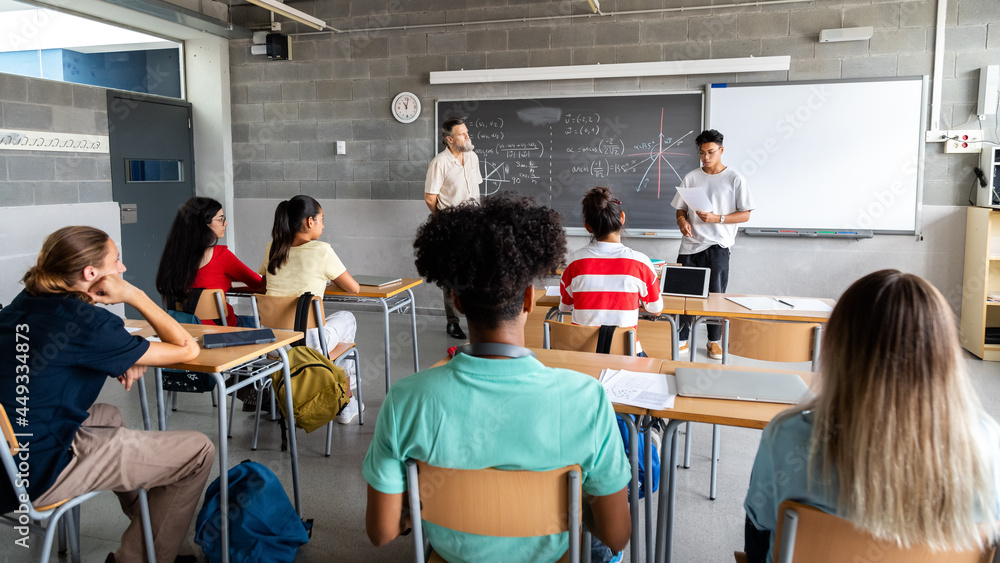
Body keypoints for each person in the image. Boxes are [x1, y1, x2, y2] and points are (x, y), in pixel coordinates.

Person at [363, 193, 631, 561]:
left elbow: (381, 532)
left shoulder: (406, 399)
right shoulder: (586, 397)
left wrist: (413, 511)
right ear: (528, 300)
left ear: (456, 301)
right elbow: (617, 535)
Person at [743, 270, 1000, 563]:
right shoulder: (988, 444)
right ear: (945, 353)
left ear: (836, 347)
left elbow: (759, 539)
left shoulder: (788, 438)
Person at [0, 226, 214, 563]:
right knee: (199, 451)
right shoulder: (89, 322)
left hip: (7, 458)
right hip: (35, 474)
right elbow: (187, 349)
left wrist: (125, 354)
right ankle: (137, 557)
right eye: (117, 261)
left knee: (109, 416)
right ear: (91, 274)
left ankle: (153, 529)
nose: (122, 269)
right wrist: (135, 295)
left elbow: (62, 356)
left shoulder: (20, 305)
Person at [260, 194, 362, 424]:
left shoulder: (272, 248)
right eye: (322, 219)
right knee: (347, 318)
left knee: (331, 329)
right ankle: (346, 402)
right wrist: (328, 280)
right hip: (310, 344)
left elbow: (265, 284)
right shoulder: (322, 250)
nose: (323, 225)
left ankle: (332, 394)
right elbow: (353, 288)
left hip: (273, 345)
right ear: (309, 222)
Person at [671, 129, 754, 360]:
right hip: (690, 246)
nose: (705, 157)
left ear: (721, 151)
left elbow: (745, 215)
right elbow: (681, 208)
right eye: (701, 153)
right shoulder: (691, 177)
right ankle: (682, 339)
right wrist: (681, 220)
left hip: (718, 246)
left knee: (716, 296)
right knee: (684, 295)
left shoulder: (735, 179)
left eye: (710, 152)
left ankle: (713, 342)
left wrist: (718, 218)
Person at [560, 186, 664, 356]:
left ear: (587, 226)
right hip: (625, 353)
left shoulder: (573, 262)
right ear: (622, 218)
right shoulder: (641, 263)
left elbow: (565, 307)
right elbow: (656, 309)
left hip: (582, 354)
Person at [156, 196, 263, 327]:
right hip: (222, 330)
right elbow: (258, 283)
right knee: (258, 322)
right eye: (221, 219)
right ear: (204, 224)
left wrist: (228, 280)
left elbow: (202, 281)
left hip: (186, 330)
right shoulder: (220, 255)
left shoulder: (172, 258)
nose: (225, 223)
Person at [423, 116, 484, 340]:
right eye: (462, 133)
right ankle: (452, 322)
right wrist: (444, 221)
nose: (468, 136)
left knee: (475, 275)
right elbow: (430, 198)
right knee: (452, 277)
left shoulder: (473, 158)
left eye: (467, 132)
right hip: (451, 228)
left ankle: (476, 319)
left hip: (475, 227)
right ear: (449, 139)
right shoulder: (439, 163)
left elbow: (475, 191)